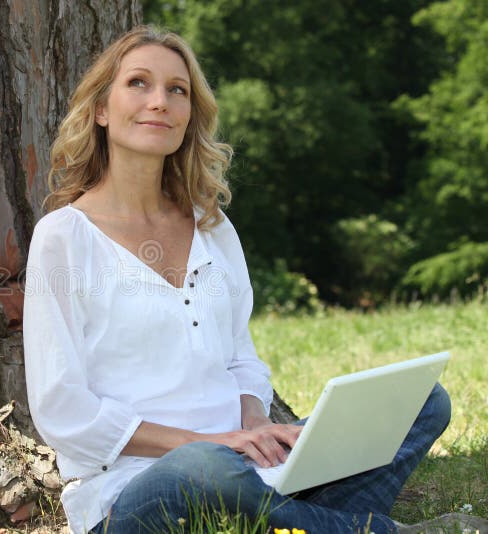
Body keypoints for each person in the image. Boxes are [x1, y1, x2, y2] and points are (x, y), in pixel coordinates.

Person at [22, 25, 450, 534]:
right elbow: (63, 411)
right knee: (206, 470)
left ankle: (300, 523)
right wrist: (204, 443)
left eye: (177, 90)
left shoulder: (211, 226)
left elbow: (240, 357)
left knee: (423, 402)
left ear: (189, 114)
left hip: (248, 468)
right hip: (144, 489)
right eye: (138, 83)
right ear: (100, 109)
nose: (159, 101)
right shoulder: (64, 237)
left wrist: (255, 424)